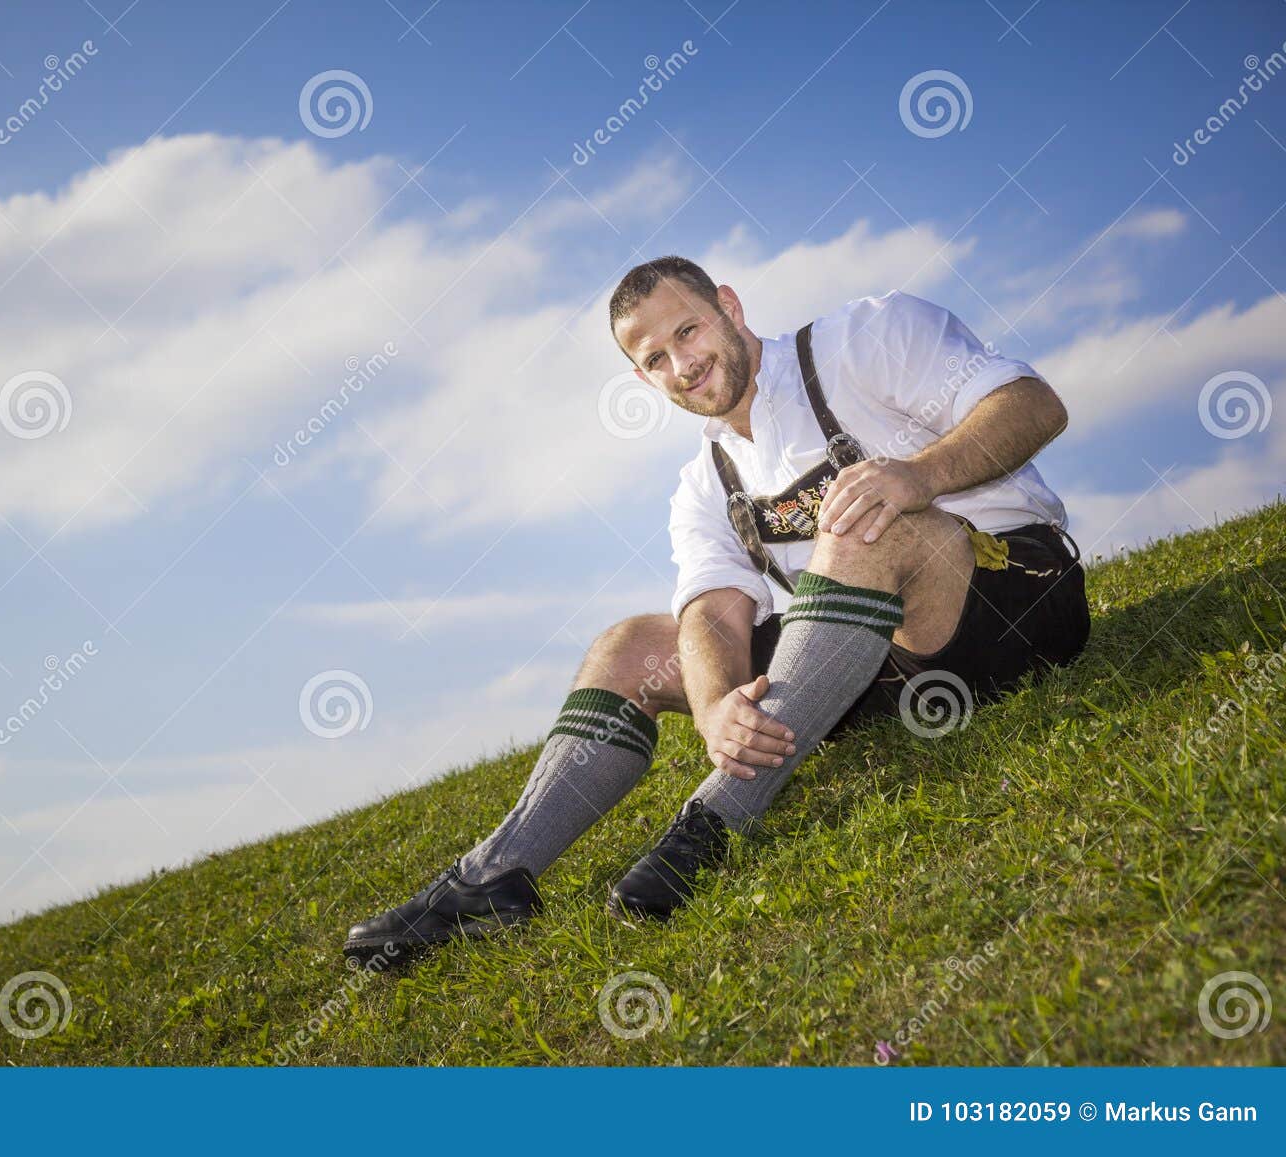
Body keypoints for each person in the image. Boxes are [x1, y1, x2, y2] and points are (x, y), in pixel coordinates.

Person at [343, 256, 1089, 964]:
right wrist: (714, 707)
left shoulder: (867, 336)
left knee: (864, 517)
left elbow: (1034, 404)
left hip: (1008, 602)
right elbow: (710, 613)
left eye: (688, 330)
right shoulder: (705, 482)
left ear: (729, 306)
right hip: (877, 669)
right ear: (642, 377)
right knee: (631, 645)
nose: (682, 364)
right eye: (655, 359)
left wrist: (917, 475)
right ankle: (491, 879)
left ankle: (713, 823)